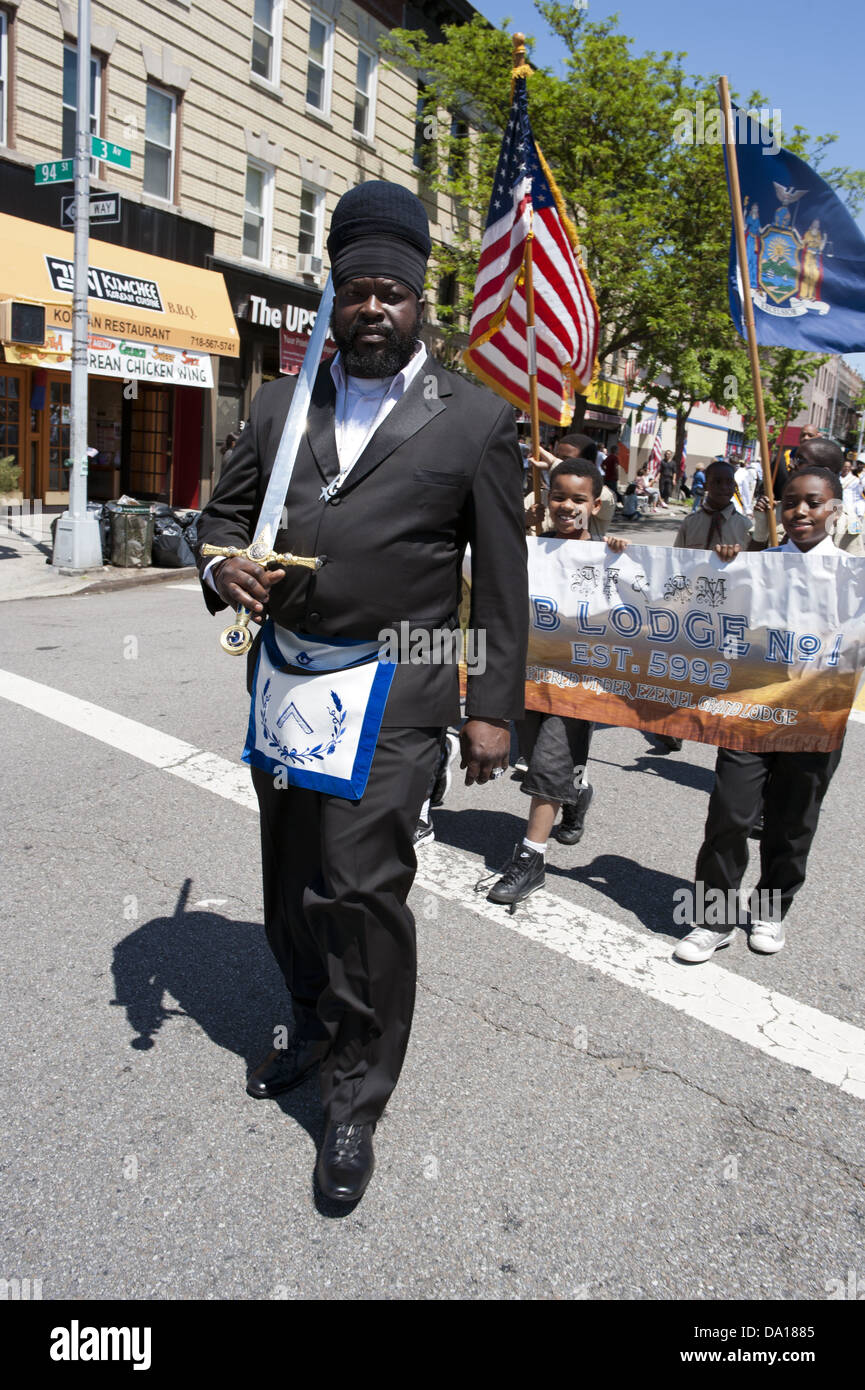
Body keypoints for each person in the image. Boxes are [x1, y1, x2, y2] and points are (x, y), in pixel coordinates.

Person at [196, 180, 528, 1202]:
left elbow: (505, 580)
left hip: (400, 687)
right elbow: (214, 520)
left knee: (358, 885)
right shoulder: (280, 403)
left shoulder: (474, 419)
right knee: (294, 879)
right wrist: (220, 570)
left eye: (390, 290)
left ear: (421, 298)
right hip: (289, 683)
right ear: (331, 298)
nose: (372, 306)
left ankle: (355, 1100)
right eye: (355, 290)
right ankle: (307, 1015)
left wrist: (491, 706)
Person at [674, 465, 848, 963]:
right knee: (730, 812)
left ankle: (770, 908)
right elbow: (689, 597)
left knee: (792, 823)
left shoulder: (853, 576)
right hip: (750, 712)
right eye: (791, 501)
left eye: (814, 502)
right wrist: (724, 566)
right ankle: (713, 919)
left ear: (835, 510)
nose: (801, 512)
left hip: (816, 718)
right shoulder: (756, 563)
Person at [486, 459, 628, 908]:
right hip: (530, 678)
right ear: (546, 498)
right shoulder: (530, 549)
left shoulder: (609, 555)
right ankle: (578, 792)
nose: (567, 506)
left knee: (547, 765)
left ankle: (531, 859)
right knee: (534, 756)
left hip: (579, 683)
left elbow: (654, 600)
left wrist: (622, 557)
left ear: (596, 505)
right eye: (559, 496)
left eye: (578, 499)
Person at [673, 460, 754, 552]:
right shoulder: (690, 523)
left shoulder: (745, 526)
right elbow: (677, 558)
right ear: (705, 486)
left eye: (729, 482)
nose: (724, 487)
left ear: (734, 486)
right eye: (717, 482)